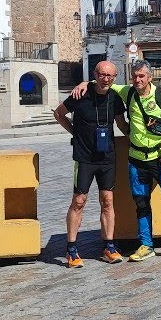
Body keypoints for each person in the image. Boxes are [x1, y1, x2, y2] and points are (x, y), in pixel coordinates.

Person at [72, 59, 161, 262]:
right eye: (134, 76)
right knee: (141, 204)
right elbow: (104, 81)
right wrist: (85, 83)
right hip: (136, 160)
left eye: (141, 76)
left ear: (150, 77)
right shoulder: (127, 92)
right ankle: (146, 245)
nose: (137, 80)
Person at [53, 60, 126, 268]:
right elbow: (59, 114)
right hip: (84, 158)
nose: (105, 79)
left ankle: (109, 247)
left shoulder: (115, 98)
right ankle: (72, 250)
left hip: (107, 158)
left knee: (108, 201)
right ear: (95, 74)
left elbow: (121, 124)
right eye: (102, 75)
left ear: (114, 77)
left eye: (110, 76)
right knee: (79, 200)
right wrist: (75, 133)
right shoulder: (80, 94)